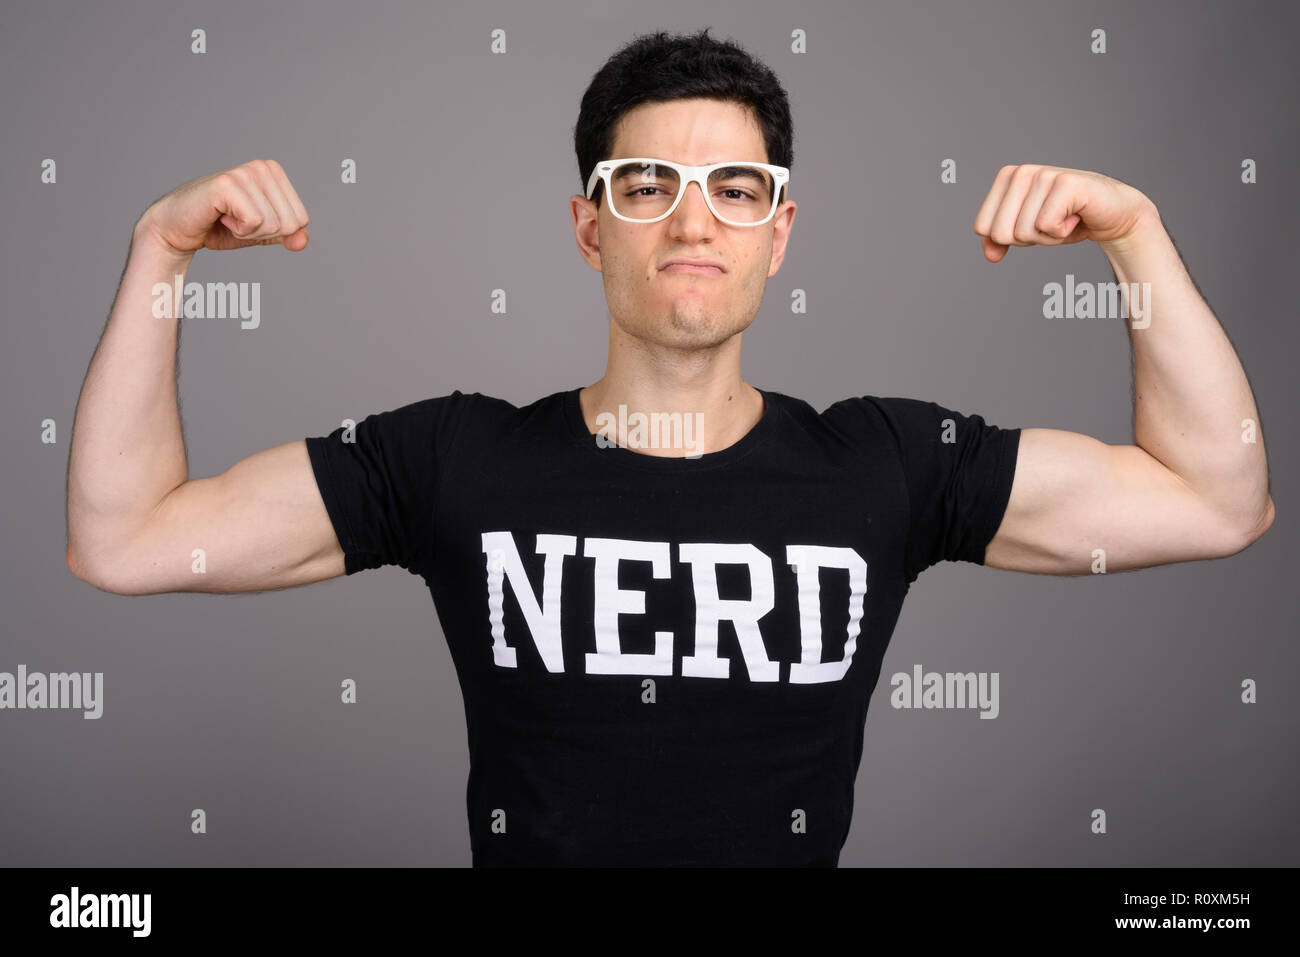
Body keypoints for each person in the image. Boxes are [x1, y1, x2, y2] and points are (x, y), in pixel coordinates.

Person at [65, 28, 1274, 866]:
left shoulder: (889, 466)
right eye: (645, 184)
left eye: (736, 189)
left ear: (778, 232)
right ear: (588, 227)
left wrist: (1140, 238)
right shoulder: (454, 461)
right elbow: (125, 538)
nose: (694, 217)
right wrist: (159, 256)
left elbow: (1217, 499)